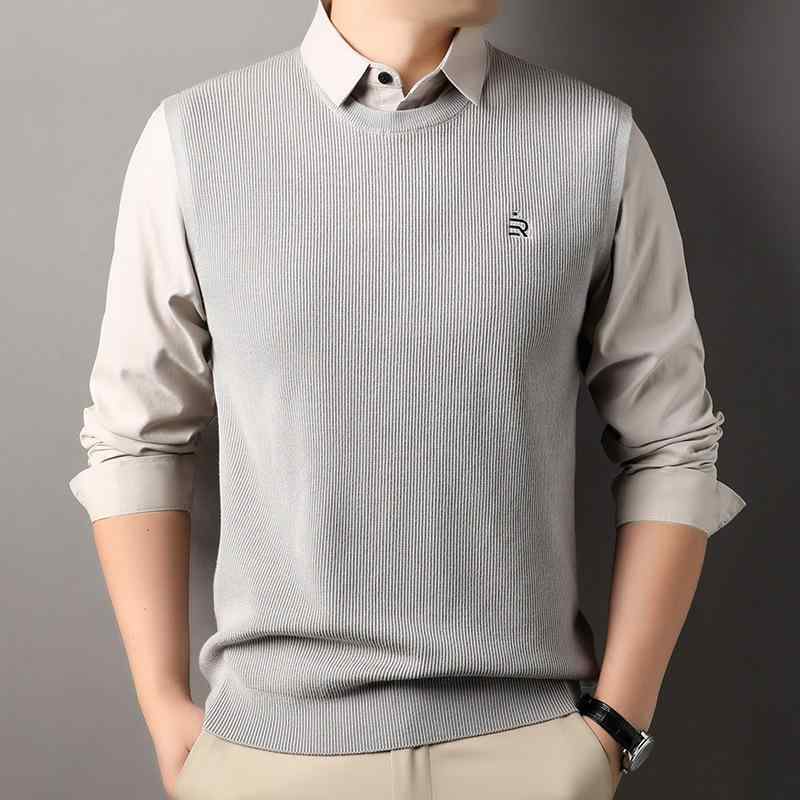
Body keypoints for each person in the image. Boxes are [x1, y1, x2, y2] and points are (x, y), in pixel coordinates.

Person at [67, 1, 747, 798]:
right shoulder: (196, 138)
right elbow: (137, 437)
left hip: (526, 756)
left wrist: (615, 726)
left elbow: (671, 444)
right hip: (268, 755)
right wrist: (163, 704)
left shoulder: (594, 139)